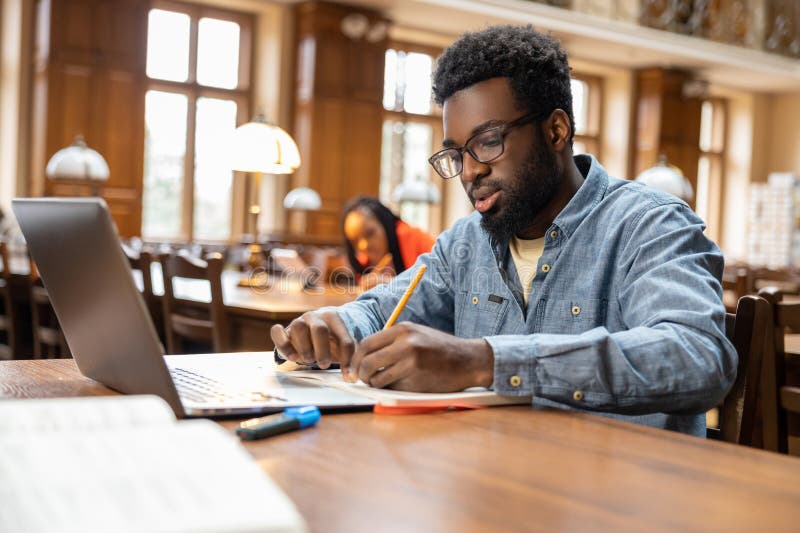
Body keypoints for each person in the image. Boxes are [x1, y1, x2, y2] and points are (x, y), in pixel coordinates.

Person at [271, 25, 736, 437]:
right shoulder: (465, 243)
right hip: (492, 482)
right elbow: (381, 311)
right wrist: (336, 328)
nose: (470, 172)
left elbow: (697, 357)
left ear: (556, 131)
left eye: (488, 142)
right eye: (457, 154)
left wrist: (483, 361)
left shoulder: (651, 224)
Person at [342, 196, 435, 289]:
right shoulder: (364, 262)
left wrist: (393, 284)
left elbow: (440, 280)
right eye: (354, 241)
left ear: (385, 224)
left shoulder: (415, 238)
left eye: (370, 233)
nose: (364, 246)